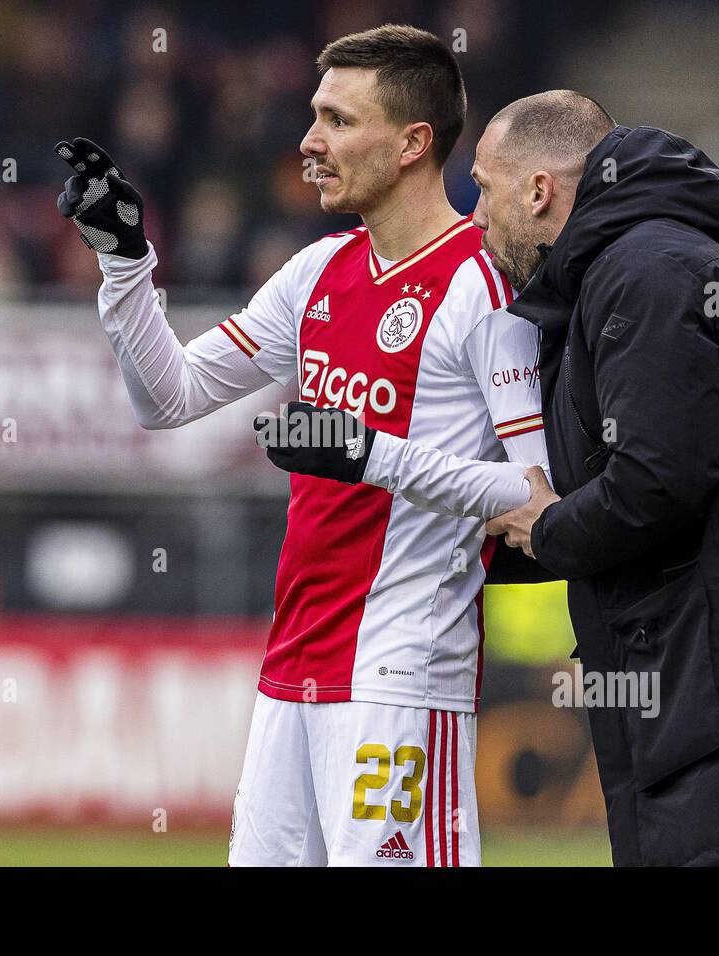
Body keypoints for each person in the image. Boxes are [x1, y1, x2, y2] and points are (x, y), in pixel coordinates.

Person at [280, 90, 719, 866]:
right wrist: (468, 542)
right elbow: (613, 500)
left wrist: (544, 525)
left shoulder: (643, 273)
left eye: (485, 190)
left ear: (538, 191)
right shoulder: (622, 275)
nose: (475, 217)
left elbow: (657, 481)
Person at [56, 25, 550, 867]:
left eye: (337, 121)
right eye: (314, 117)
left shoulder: (483, 286)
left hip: (402, 674)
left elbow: (536, 497)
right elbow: (168, 399)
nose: (308, 143)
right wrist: (125, 265)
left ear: (411, 144)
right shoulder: (318, 271)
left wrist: (369, 453)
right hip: (294, 668)